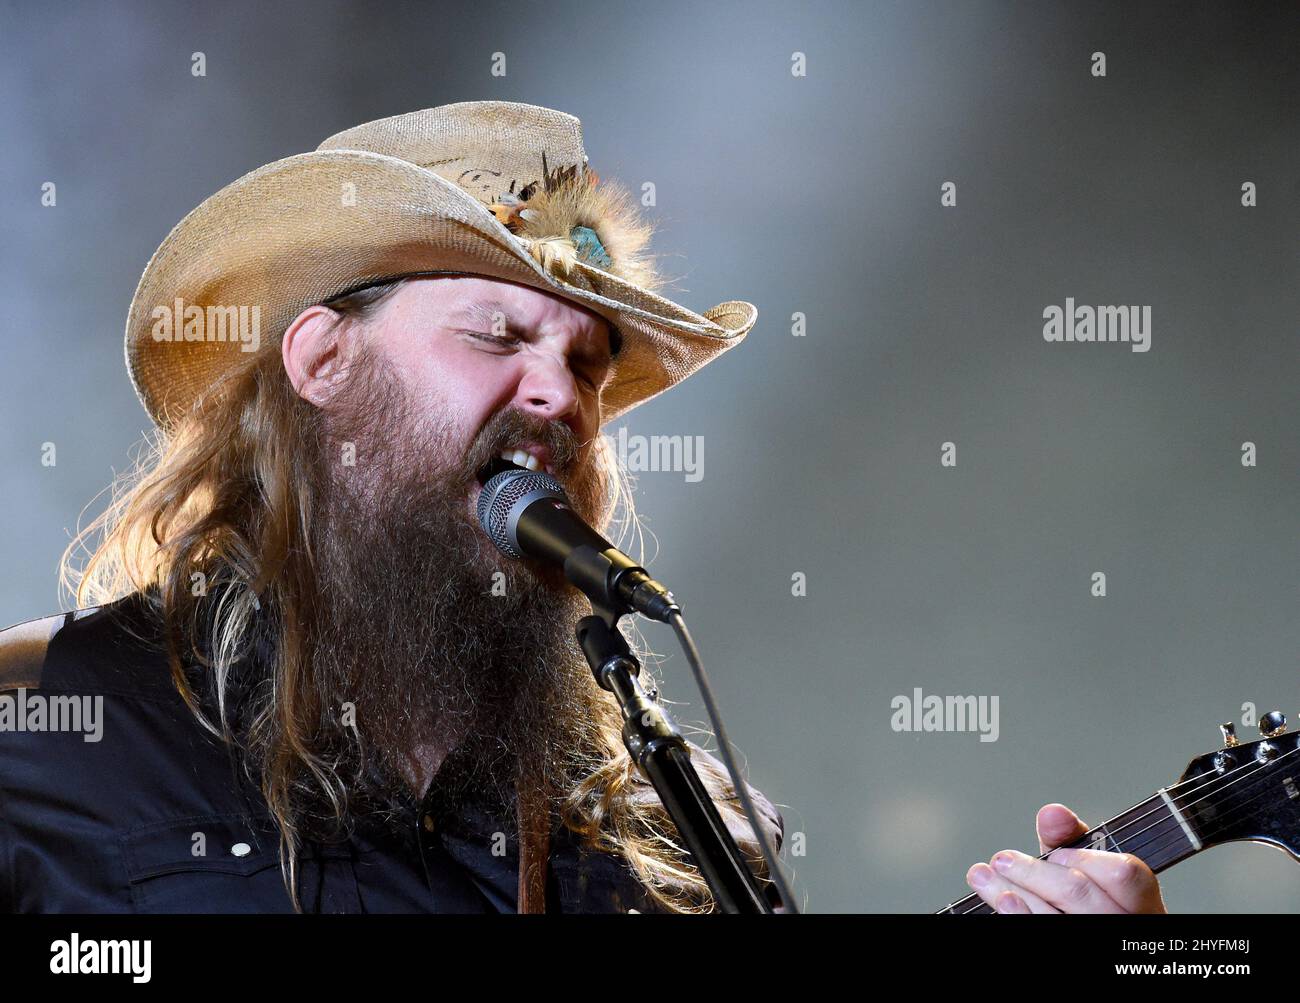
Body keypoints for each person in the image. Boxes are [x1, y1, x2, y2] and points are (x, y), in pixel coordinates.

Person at [0, 101, 1164, 914]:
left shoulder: (674, 829)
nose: (559, 394)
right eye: (498, 334)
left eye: (589, 364)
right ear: (322, 362)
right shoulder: (47, 727)